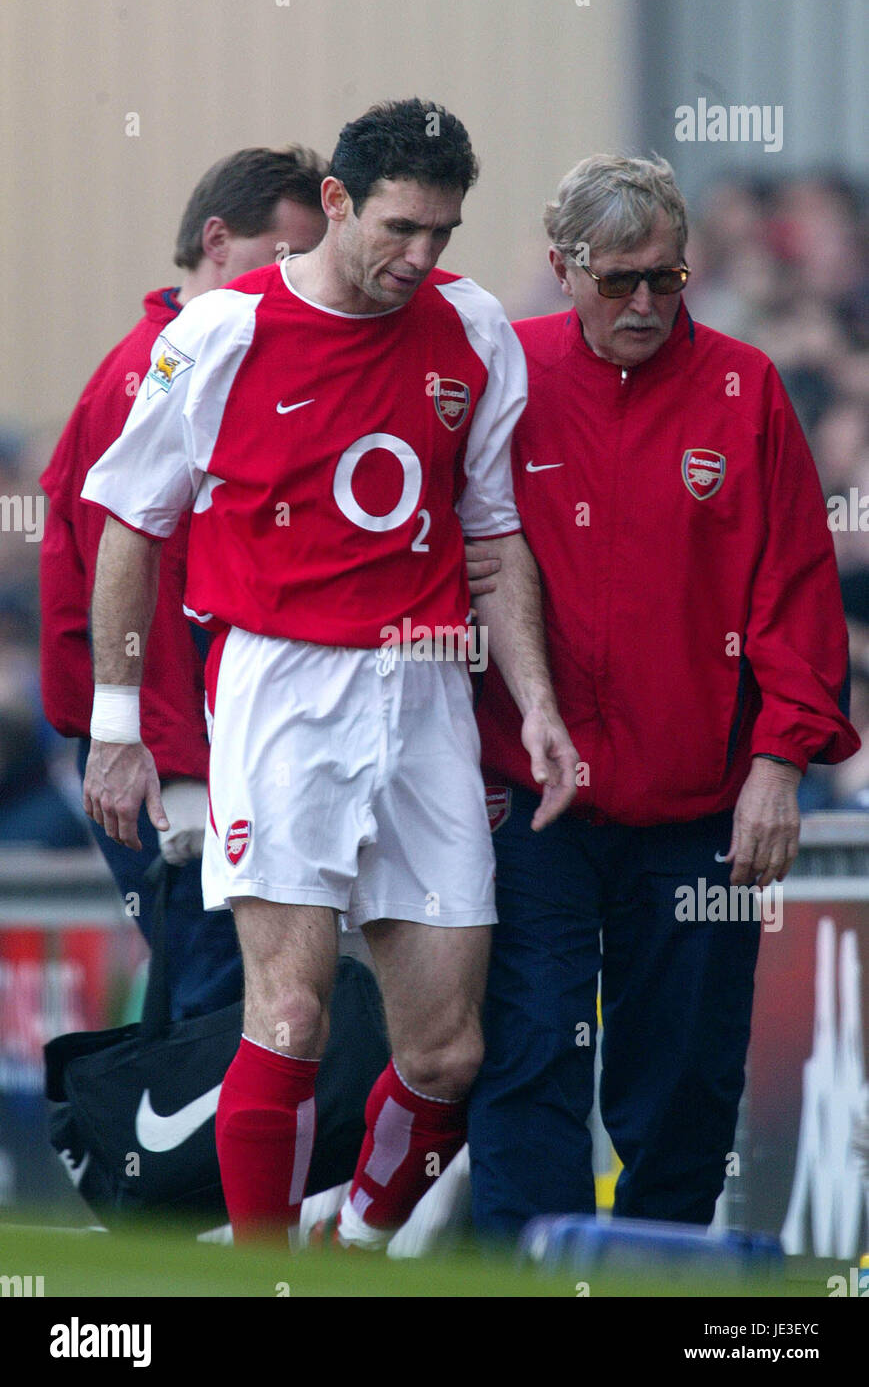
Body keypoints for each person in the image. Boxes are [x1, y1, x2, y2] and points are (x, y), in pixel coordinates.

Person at [79, 99, 578, 1249]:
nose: (420, 257)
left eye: (443, 233)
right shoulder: (221, 331)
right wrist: (118, 722)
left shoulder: (475, 327)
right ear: (336, 204)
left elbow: (494, 541)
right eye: (400, 226)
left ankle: (350, 1245)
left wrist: (538, 703)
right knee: (291, 1013)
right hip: (281, 686)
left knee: (447, 1052)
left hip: (427, 694)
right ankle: (267, 1280)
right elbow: (127, 525)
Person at [465, 153, 860, 1240]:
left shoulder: (744, 389)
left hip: (698, 802)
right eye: (618, 280)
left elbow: (792, 592)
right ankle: (522, 1279)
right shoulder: (505, 373)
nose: (645, 303)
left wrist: (778, 765)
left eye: (667, 280)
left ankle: (668, 1291)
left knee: (683, 1082)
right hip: (531, 798)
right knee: (530, 1053)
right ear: (561, 268)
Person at [40, 146, 327, 1019]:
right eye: (287, 256)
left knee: (233, 1000)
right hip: (165, 755)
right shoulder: (154, 375)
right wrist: (174, 769)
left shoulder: (209, 362)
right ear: (217, 240)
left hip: (193, 743)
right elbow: (137, 601)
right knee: (220, 1011)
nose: (303, 281)